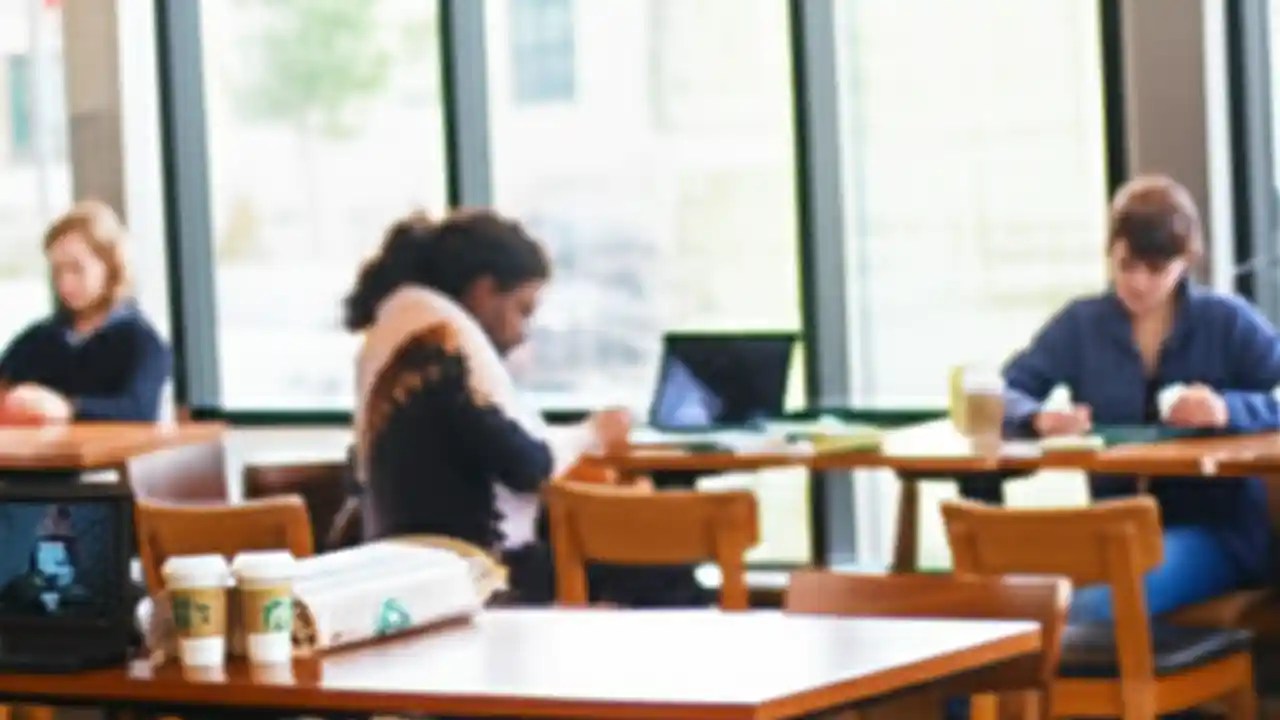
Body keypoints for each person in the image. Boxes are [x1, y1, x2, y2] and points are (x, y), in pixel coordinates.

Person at [345, 209, 707, 605]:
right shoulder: (439, 337)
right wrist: (593, 434)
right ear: (485, 292)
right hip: (479, 569)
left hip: (417, 561)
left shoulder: (397, 327)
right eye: (522, 309)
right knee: (661, 561)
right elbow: (526, 464)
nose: (522, 334)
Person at [997, 174, 1280, 622]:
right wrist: (1038, 419)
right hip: (1112, 532)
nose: (1139, 283)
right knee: (998, 612)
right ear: (1110, 251)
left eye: (1156, 269)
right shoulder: (1081, 324)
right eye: (1127, 265)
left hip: (1214, 533)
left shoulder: (1226, 321)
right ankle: (967, 693)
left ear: (1185, 262)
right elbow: (1005, 390)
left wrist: (1229, 409)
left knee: (1083, 610)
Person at [0, 200, 172, 424]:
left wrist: (67, 408)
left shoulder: (141, 341)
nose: (65, 283)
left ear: (110, 266)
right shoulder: (40, 338)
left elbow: (139, 409)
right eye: (57, 271)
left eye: (76, 269)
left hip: (108, 457)